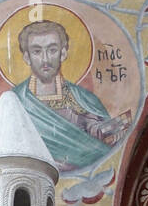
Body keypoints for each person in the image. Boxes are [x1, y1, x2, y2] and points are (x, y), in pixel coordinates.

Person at [13, 20, 130, 172]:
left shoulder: (83, 99)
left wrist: (116, 126)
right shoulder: (14, 100)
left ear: (63, 53)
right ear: (27, 57)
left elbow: (96, 136)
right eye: (37, 51)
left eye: (52, 50)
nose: (45, 59)